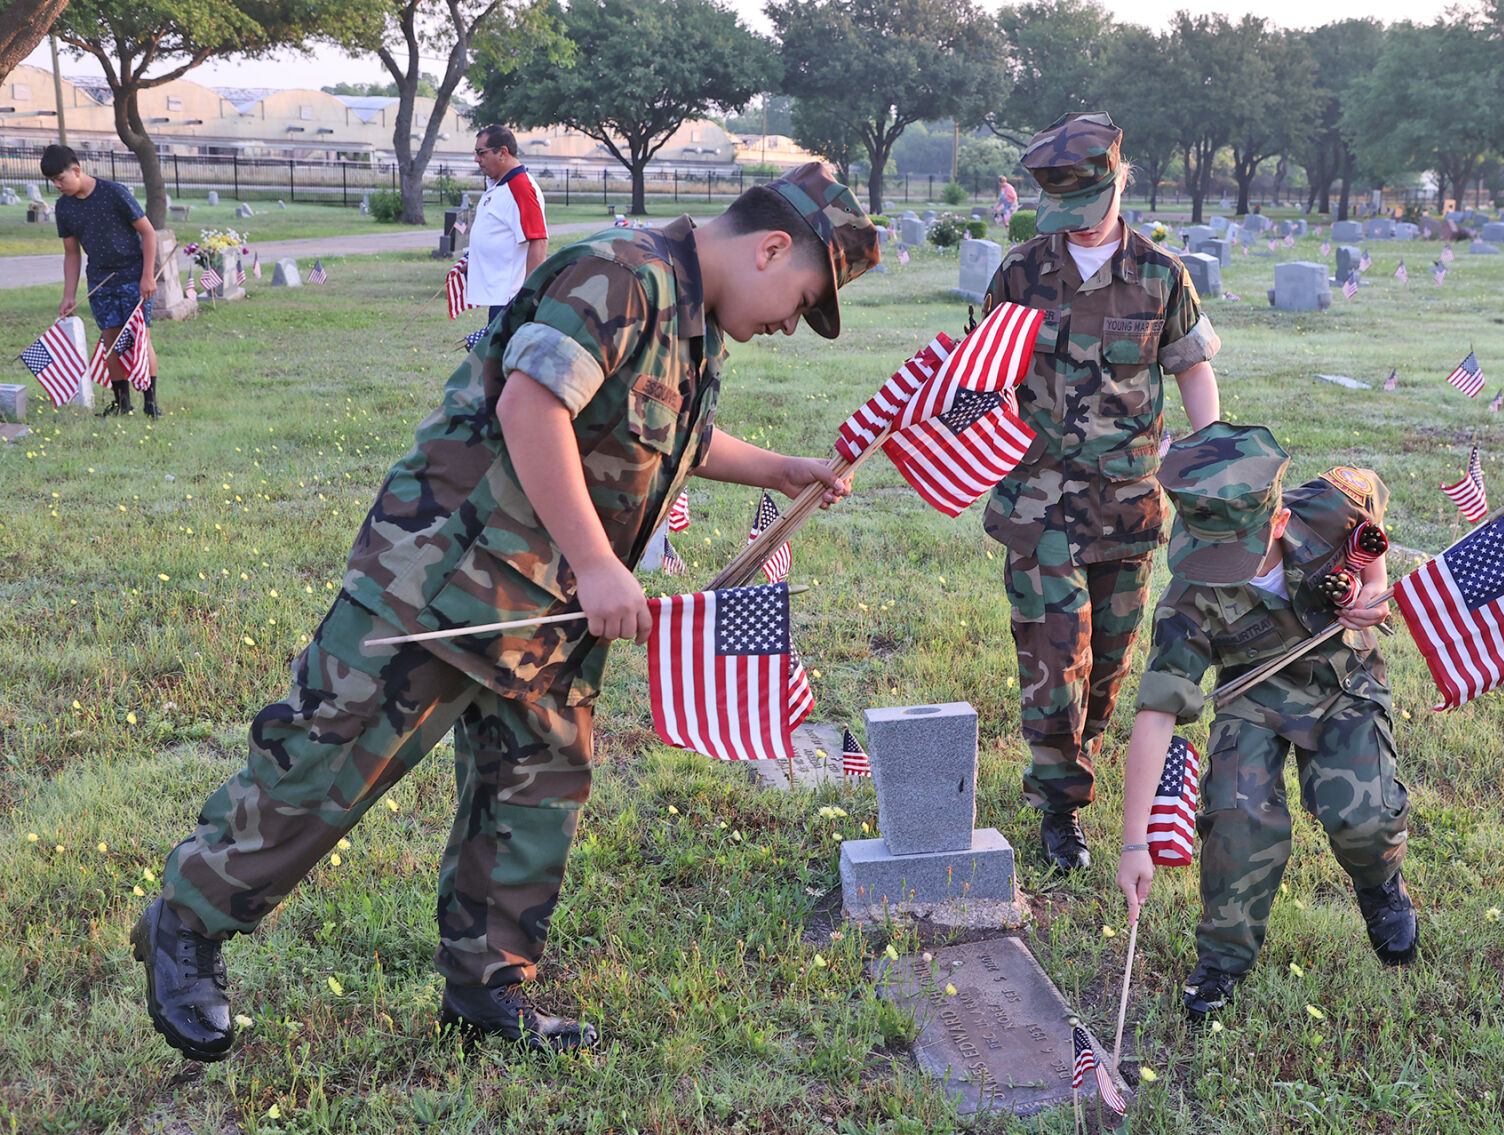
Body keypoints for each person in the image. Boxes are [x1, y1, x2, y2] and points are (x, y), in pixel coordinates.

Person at [130, 163, 880, 1061]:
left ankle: (486, 989)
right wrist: (600, 564)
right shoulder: (621, 277)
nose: (791, 322)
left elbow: (666, 429)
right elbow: (533, 406)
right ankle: (188, 918)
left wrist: (778, 469)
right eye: (803, 300)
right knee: (330, 759)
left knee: (531, 791)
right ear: (771, 248)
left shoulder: (692, 321)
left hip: (550, 602)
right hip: (446, 574)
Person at [981, 112, 1221, 870]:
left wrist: (1211, 457)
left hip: (1125, 502)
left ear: (1120, 183)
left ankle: (1080, 750)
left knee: (1108, 666)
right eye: (1064, 209)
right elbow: (979, 375)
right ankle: (1060, 806)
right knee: (1056, 655)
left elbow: (1191, 368)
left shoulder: (1160, 274)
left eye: (1089, 204)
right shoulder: (1019, 272)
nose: (1078, 224)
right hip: (1039, 501)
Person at [1115, 423, 1417, 1022]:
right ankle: (1222, 961)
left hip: (1340, 680)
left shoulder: (1331, 507)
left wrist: (1372, 586)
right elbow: (1157, 715)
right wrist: (1133, 842)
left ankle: (1380, 885)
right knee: (1239, 820)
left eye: (1232, 555)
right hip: (1251, 695)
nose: (1219, 568)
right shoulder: (1188, 599)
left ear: (1278, 521)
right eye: (1209, 553)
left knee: (1362, 815)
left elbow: (1373, 534)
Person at [43, 143, 161, 418]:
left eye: (60, 178)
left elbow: (148, 233)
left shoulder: (114, 193)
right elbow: (72, 254)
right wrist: (68, 295)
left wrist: (147, 276)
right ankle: (122, 403)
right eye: (52, 181)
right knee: (111, 341)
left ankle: (150, 403)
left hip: (133, 276)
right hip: (100, 281)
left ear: (76, 170)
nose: (57, 185)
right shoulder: (64, 208)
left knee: (139, 339)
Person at [466, 125, 548, 323]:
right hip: (500, 297)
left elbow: (538, 241)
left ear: (502, 152)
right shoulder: (500, 185)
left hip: (512, 299)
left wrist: (527, 297)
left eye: (481, 153)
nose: (477, 159)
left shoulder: (520, 187)